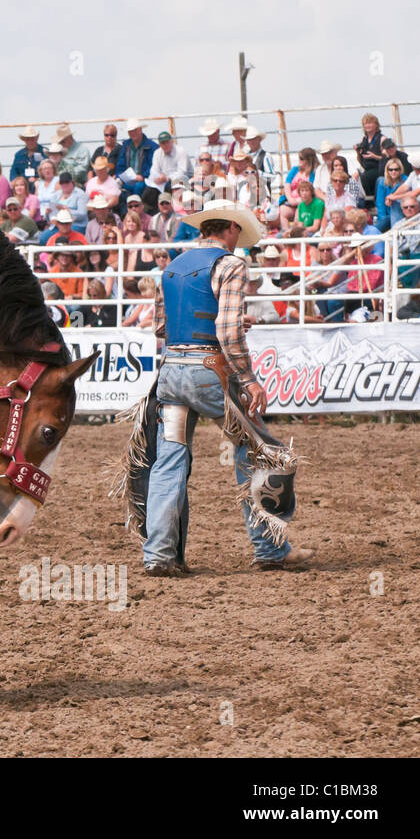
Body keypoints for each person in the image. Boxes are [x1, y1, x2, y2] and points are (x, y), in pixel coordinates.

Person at [139, 200, 312, 574]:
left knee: (169, 461)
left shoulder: (171, 268)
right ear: (230, 228)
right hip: (209, 375)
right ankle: (269, 548)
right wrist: (249, 379)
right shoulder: (231, 265)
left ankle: (159, 555)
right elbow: (228, 332)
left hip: (171, 375)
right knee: (258, 452)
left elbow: (161, 328)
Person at [115, 119, 158, 207]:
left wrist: (143, 176)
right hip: (128, 180)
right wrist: (119, 178)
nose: (133, 133)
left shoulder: (152, 147)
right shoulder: (126, 146)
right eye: (130, 131)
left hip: (145, 180)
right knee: (116, 188)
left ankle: (136, 212)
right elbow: (120, 165)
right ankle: (126, 215)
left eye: (135, 130)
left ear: (140, 129)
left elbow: (154, 166)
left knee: (138, 187)